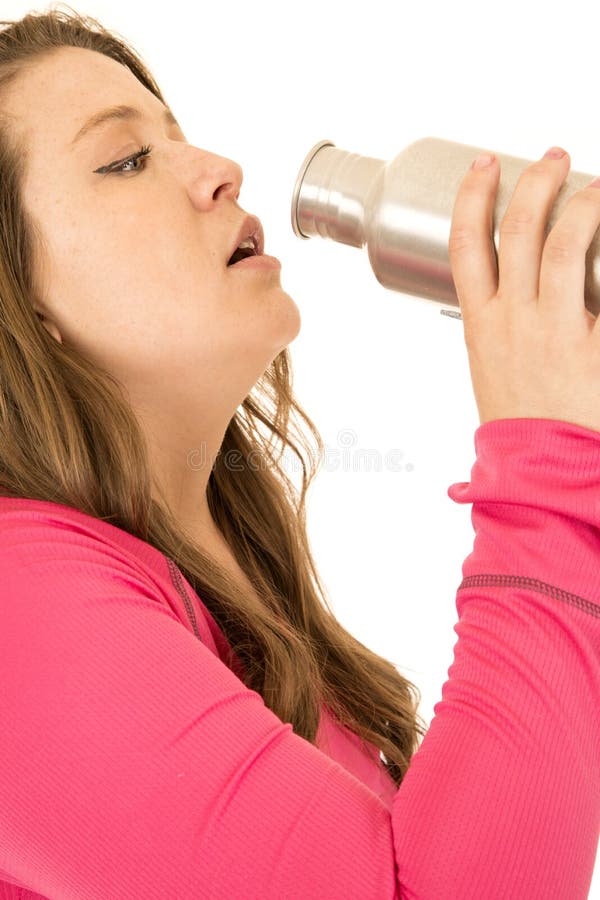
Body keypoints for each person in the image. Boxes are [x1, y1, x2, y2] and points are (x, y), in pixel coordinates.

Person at [0, 6, 598, 900]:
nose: (219, 171)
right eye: (125, 160)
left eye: (182, 138)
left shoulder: (229, 607)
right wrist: (547, 464)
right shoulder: (16, 605)